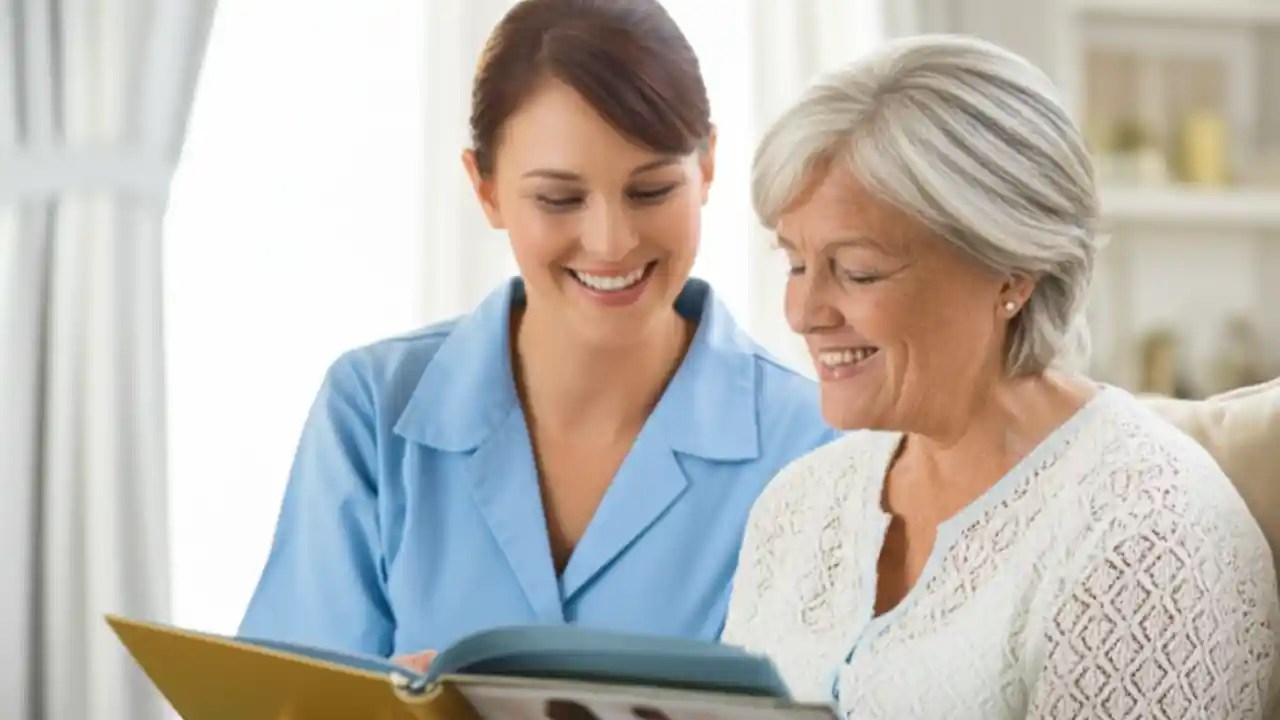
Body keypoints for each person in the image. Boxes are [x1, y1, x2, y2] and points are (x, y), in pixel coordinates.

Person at [237, 0, 839, 663]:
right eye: (558, 199)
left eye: (651, 192)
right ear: (486, 189)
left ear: (707, 169)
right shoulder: (374, 411)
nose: (611, 241)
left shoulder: (816, 443)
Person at [720, 35, 1279, 718]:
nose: (802, 312)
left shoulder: (1150, 535)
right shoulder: (798, 504)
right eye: (796, 263)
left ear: (1011, 273)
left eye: (858, 271)